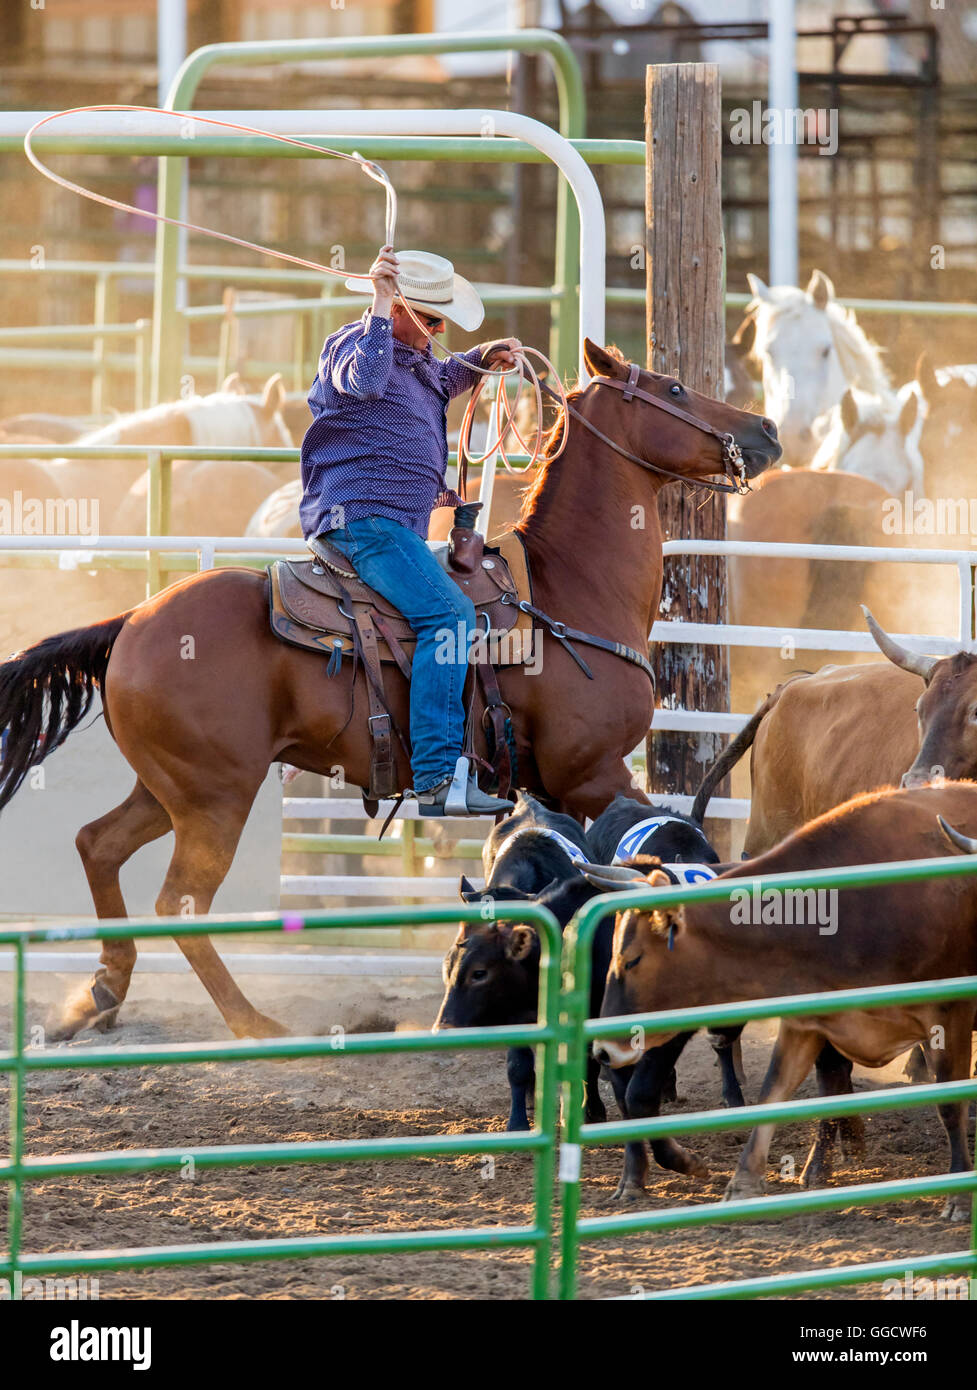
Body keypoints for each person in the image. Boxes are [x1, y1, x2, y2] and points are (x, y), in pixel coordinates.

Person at [300, 245, 519, 816]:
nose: (439, 330)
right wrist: (377, 301)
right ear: (401, 310)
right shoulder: (357, 344)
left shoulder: (413, 358)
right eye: (432, 319)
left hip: (386, 523)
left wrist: (479, 359)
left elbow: (441, 380)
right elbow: (364, 379)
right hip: (364, 522)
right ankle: (437, 776)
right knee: (449, 616)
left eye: (443, 321)